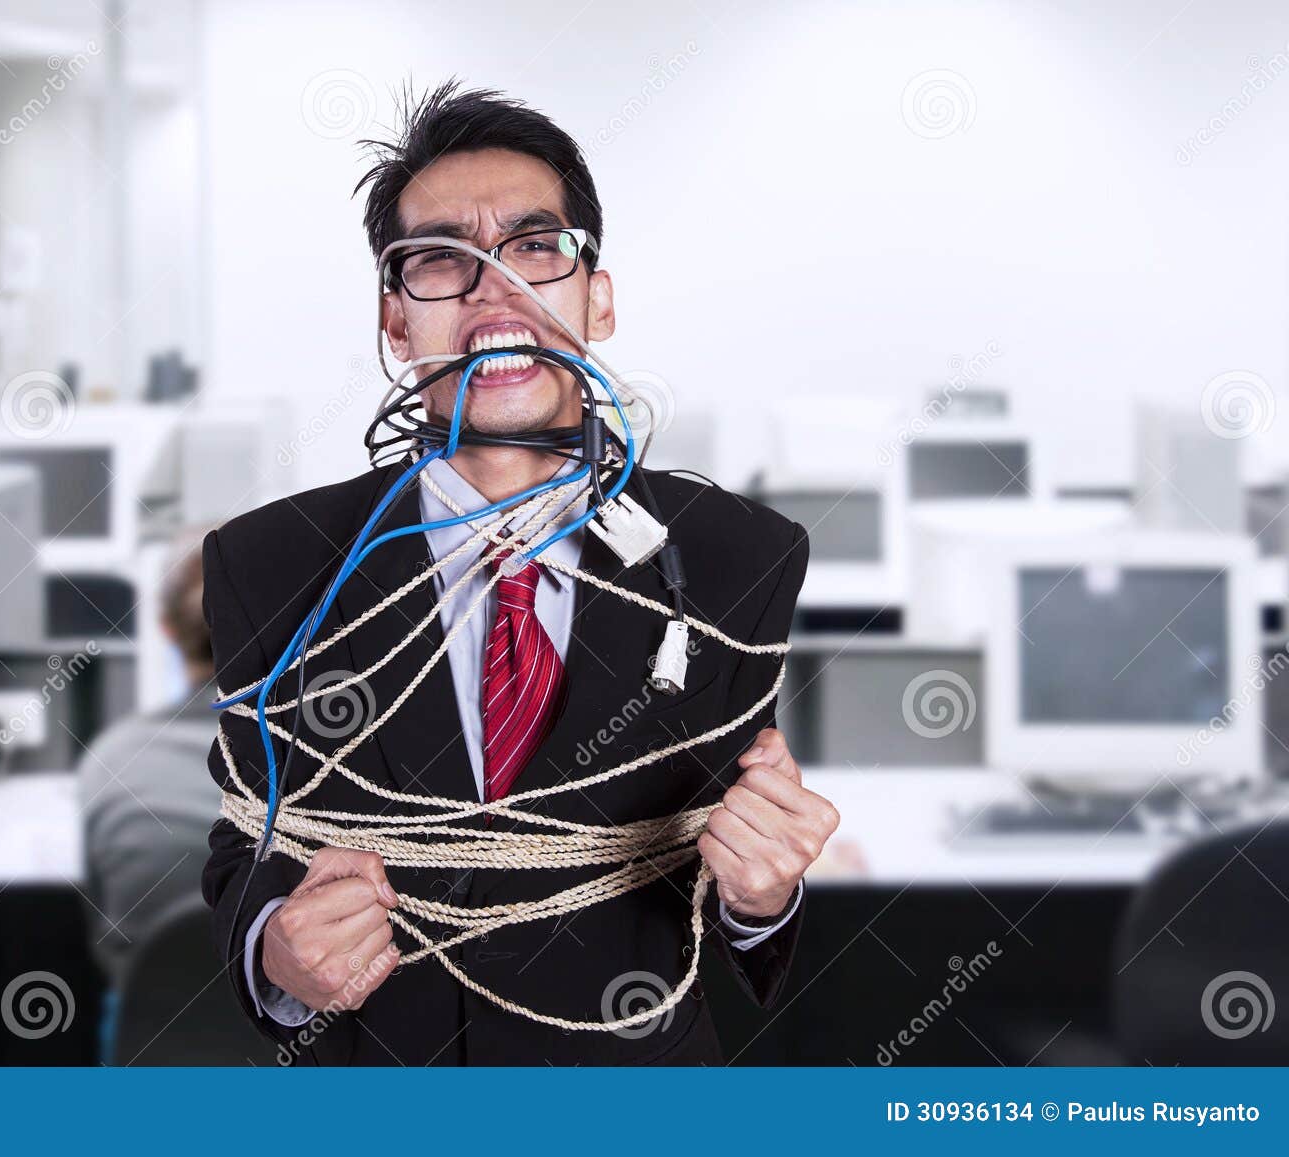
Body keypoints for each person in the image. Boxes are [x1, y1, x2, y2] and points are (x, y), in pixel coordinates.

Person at [200, 80, 839, 1065]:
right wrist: (274, 956)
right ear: (395, 319)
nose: (493, 291)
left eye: (536, 247)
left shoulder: (731, 558)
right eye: (439, 260)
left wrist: (764, 896)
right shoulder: (272, 564)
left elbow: (730, 887)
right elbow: (252, 829)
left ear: (601, 296)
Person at [80, 527, 222, 986]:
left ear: (165, 629)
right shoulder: (336, 763)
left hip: (150, 1040)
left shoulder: (112, 756)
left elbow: (100, 921)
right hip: (312, 1042)